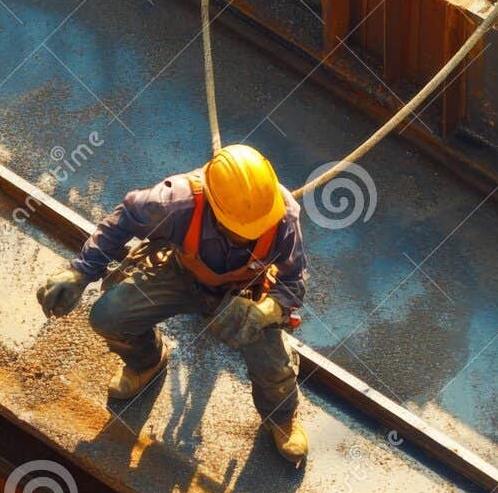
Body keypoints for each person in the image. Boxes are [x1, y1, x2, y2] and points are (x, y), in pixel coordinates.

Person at [37, 145, 310, 464]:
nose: (255, 234)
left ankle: (281, 416)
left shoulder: (282, 215)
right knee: (109, 315)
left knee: (271, 363)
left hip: (245, 295)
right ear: (216, 212)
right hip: (181, 274)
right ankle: (146, 362)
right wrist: (80, 271)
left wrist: (265, 312)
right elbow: (124, 219)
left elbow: (293, 281)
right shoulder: (175, 201)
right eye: (243, 233)